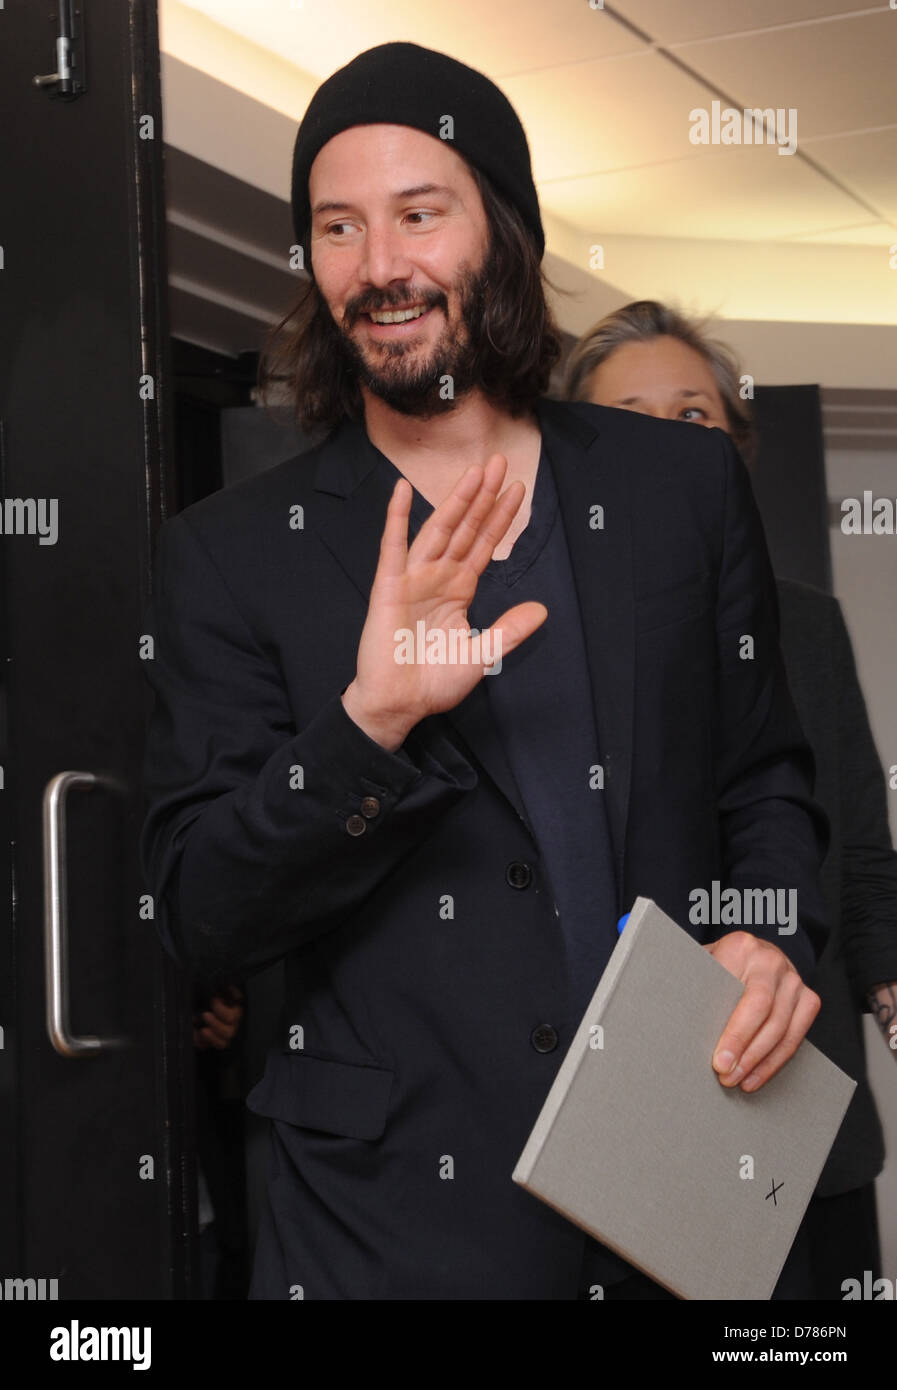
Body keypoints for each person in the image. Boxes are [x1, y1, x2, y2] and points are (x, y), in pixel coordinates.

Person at [140, 42, 830, 1301]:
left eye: (419, 213)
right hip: (388, 1225)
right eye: (337, 226)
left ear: (502, 233)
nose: (379, 265)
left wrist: (765, 934)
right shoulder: (233, 557)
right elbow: (201, 912)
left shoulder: (677, 493)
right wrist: (370, 719)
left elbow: (764, 775)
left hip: (680, 1158)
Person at [566, 299, 897, 1299]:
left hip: (805, 1093)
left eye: (694, 416)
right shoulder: (541, 629)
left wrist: (889, 987)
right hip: (624, 1120)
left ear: (735, 451)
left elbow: (861, 848)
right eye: (631, 418)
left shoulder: (806, 623)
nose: (668, 443)